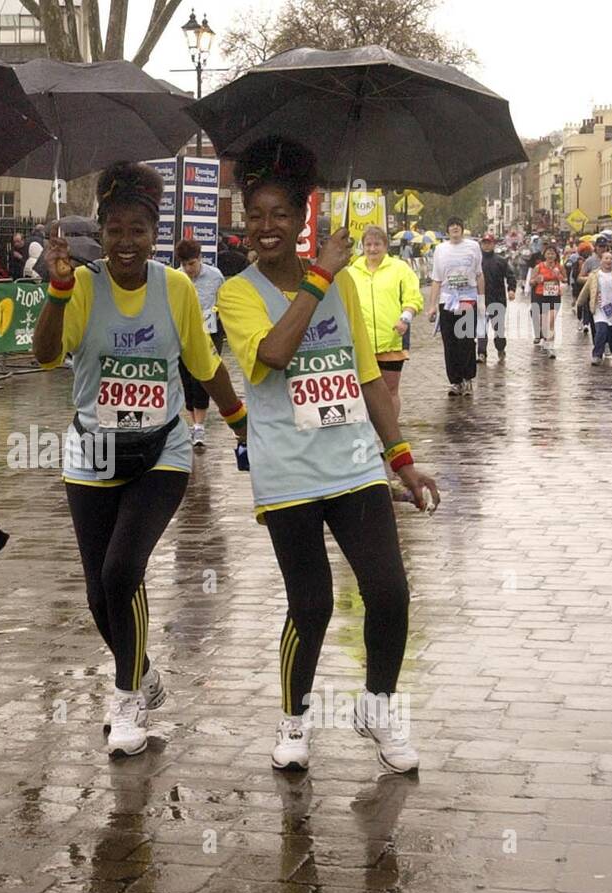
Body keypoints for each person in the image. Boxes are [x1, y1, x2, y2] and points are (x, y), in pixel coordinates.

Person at [215, 135, 440, 774]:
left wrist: (401, 459)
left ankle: (379, 705)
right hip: (286, 473)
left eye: (279, 215)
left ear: (302, 217)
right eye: (255, 215)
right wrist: (319, 276)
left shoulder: (339, 288)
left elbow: (367, 378)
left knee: (390, 593)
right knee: (310, 604)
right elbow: (273, 355)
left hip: (353, 466)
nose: (265, 227)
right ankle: (294, 718)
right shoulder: (238, 293)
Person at [31, 161, 248, 758]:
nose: (126, 243)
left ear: (154, 233)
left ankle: (126, 700)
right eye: (115, 230)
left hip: (162, 452)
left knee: (122, 573)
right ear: (100, 232)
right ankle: (145, 673)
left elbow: (204, 365)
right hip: (93, 450)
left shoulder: (173, 287)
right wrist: (56, 290)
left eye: (138, 231)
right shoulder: (79, 284)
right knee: (99, 594)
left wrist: (243, 426)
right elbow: (45, 356)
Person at [345, 224, 423, 417]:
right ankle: (367, 433)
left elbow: (413, 297)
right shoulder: (352, 272)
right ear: (362, 246)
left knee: (390, 390)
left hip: (392, 340)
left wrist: (405, 318)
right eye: (368, 244)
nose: (372, 249)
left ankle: (390, 435)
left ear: (386, 246)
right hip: (362, 343)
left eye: (377, 244)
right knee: (363, 392)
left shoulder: (400, 269)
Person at [174, 237, 227, 446]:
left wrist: (218, 311)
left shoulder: (215, 276)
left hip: (210, 333)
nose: (189, 269)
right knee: (186, 378)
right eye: (185, 264)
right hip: (184, 334)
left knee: (202, 378)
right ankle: (193, 422)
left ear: (200, 259)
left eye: (192, 264)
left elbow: (223, 300)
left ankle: (200, 426)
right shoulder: (176, 279)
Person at [426, 216, 484, 396]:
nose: (455, 229)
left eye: (458, 225)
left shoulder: (473, 247)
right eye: (451, 226)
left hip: (467, 299)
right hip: (448, 300)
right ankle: (455, 381)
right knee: (449, 342)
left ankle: (468, 378)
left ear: (462, 229)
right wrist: (432, 305)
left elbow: (479, 274)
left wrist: (481, 300)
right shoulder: (440, 250)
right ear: (447, 231)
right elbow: (437, 279)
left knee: (465, 341)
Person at [575, 250, 612, 366]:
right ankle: (597, 355)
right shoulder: (594, 275)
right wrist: (579, 302)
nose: (609, 261)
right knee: (601, 331)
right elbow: (586, 289)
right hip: (599, 309)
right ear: (601, 261)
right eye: (606, 258)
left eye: (610, 258)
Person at [477, 232, 516, 363]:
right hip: (481, 299)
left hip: (498, 299)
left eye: (489, 243)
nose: (486, 246)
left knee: (498, 329)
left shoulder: (501, 261)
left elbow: (511, 276)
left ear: (493, 244)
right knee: (481, 328)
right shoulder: (476, 261)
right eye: (484, 243)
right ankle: (481, 353)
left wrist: (511, 290)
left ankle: (500, 349)